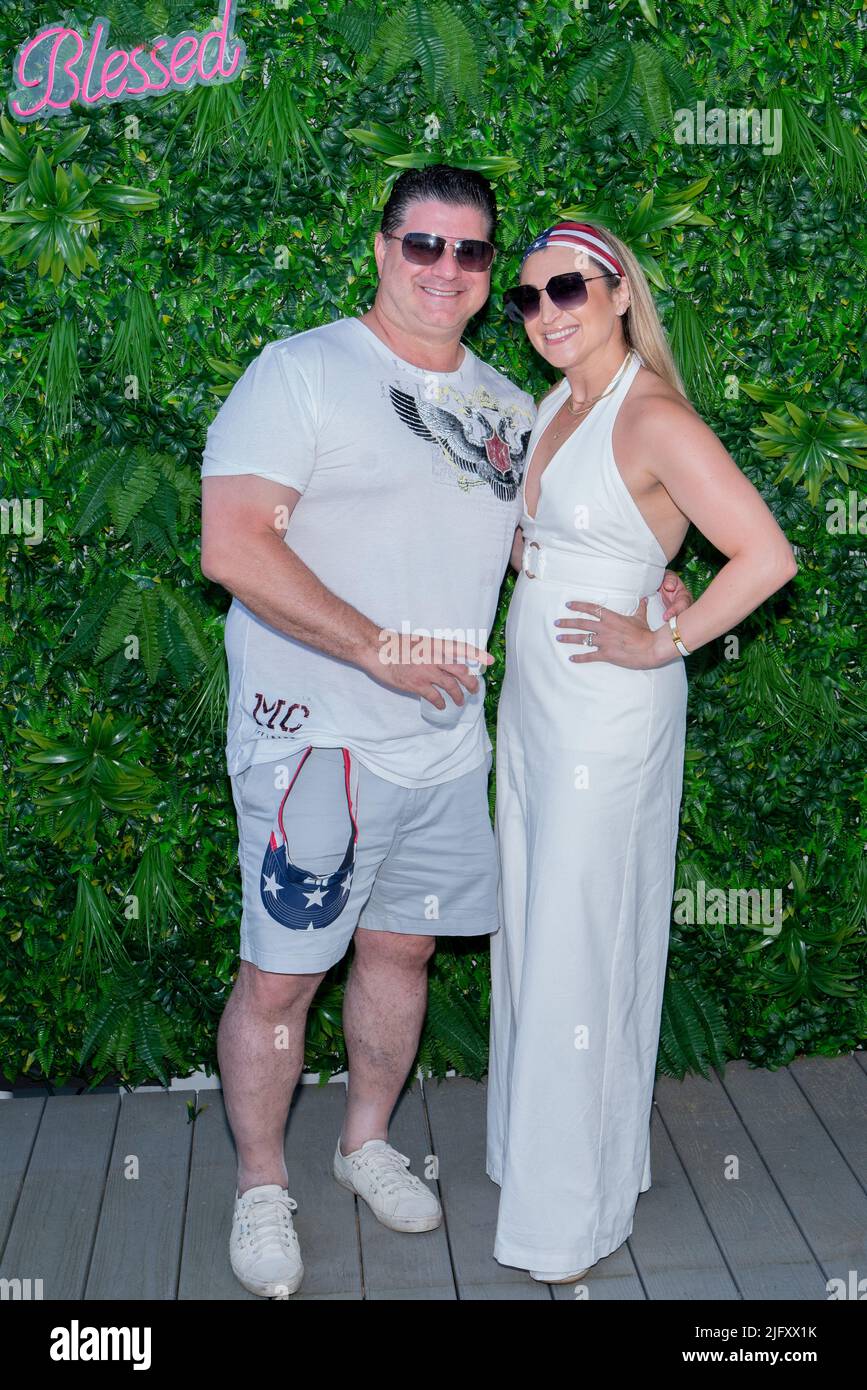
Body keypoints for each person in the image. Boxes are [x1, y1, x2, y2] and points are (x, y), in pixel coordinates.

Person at [199, 169, 693, 1298]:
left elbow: (541, 539)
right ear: (381, 250)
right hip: (315, 740)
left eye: (472, 255)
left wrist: (650, 586)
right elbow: (233, 544)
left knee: (402, 951)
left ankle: (365, 1139)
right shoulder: (303, 372)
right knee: (281, 976)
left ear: (490, 283)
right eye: (422, 244)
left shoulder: (507, 410)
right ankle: (262, 1183)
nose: (446, 268)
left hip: (446, 747)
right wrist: (372, 644)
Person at [486, 220, 798, 1284]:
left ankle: (566, 1222)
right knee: (536, 932)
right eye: (525, 299)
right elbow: (561, 547)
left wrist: (665, 634)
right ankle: (548, 1170)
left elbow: (766, 554)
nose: (546, 314)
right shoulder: (554, 408)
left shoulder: (652, 413)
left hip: (607, 715)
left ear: (619, 292)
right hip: (532, 708)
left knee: (584, 943)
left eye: (566, 288)